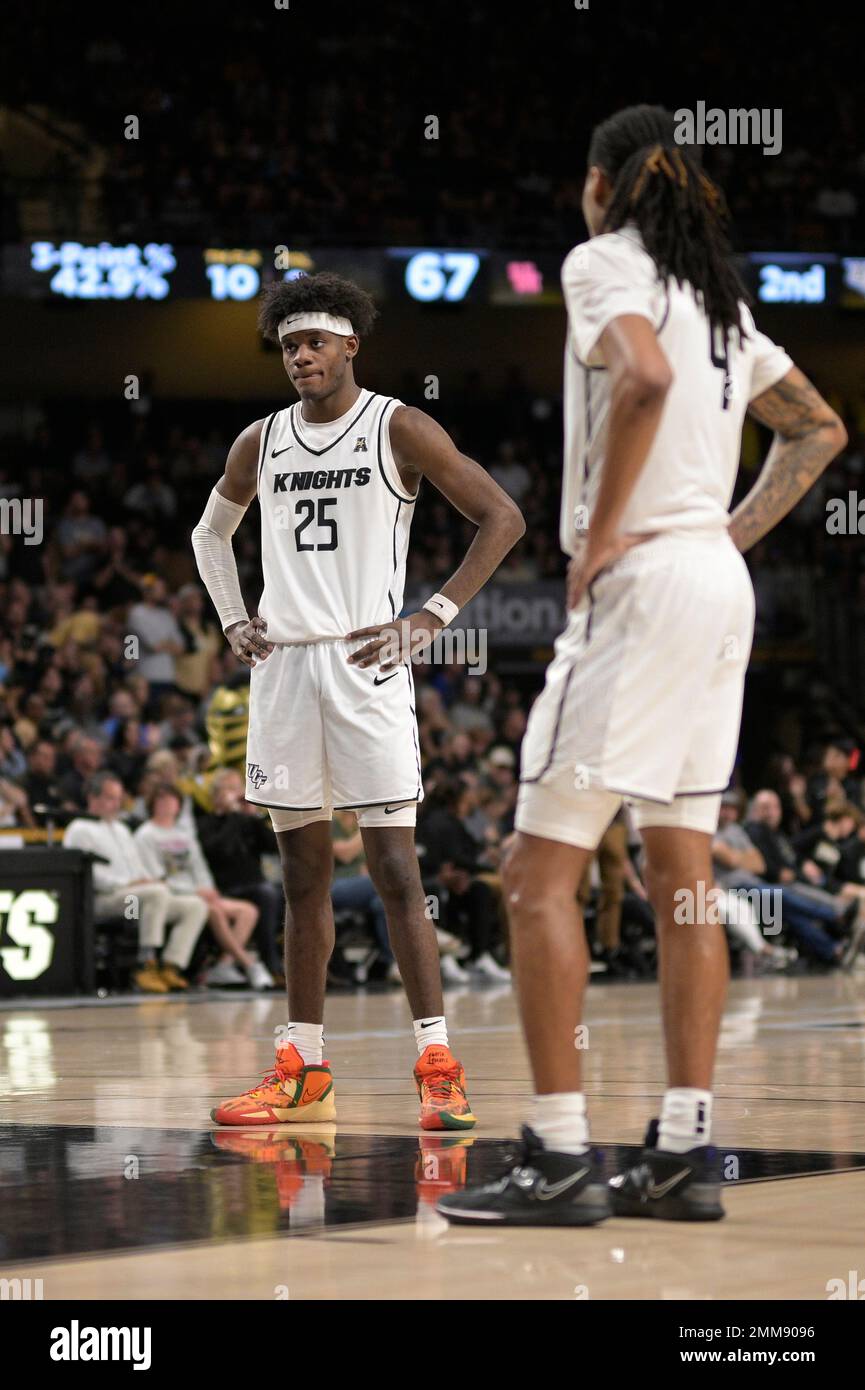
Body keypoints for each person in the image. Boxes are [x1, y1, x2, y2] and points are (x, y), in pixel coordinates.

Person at [438, 104, 847, 1227]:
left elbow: (644, 378)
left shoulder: (599, 260)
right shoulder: (721, 299)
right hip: (716, 589)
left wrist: (606, 530)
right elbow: (818, 430)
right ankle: (680, 1149)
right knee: (685, 872)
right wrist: (727, 536)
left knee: (534, 875)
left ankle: (560, 1153)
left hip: (645, 585)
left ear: (598, 181)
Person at [192, 271, 524, 1129]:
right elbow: (209, 533)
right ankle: (303, 1066)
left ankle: (437, 1062)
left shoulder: (396, 425)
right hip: (285, 672)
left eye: (315, 342)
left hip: (367, 662)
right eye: (289, 345)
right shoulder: (259, 441)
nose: (300, 357)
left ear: (350, 346)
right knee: (303, 878)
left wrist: (432, 616)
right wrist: (234, 618)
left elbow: (501, 516)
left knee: (395, 873)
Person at [64, 772, 208, 993]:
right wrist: (129, 884)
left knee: (195, 906)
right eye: (110, 798)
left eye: (119, 799)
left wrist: (145, 880)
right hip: (106, 901)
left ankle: (171, 966)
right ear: (92, 798)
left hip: (136, 902)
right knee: (156, 894)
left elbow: (137, 867)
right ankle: (145, 965)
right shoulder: (79, 829)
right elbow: (89, 874)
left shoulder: (121, 829)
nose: (116, 805)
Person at [133, 784, 271, 989]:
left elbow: (199, 866)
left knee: (248, 911)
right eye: (161, 801)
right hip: (172, 895)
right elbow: (155, 876)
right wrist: (196, 892)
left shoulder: (184, 835)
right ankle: (249, 963)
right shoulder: (145, 834)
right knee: (213, 910)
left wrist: (208, 889)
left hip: (199, 893)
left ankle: (224, 965)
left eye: (171, 800)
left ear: (179, 805)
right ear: (152, 804)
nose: (167, 805)